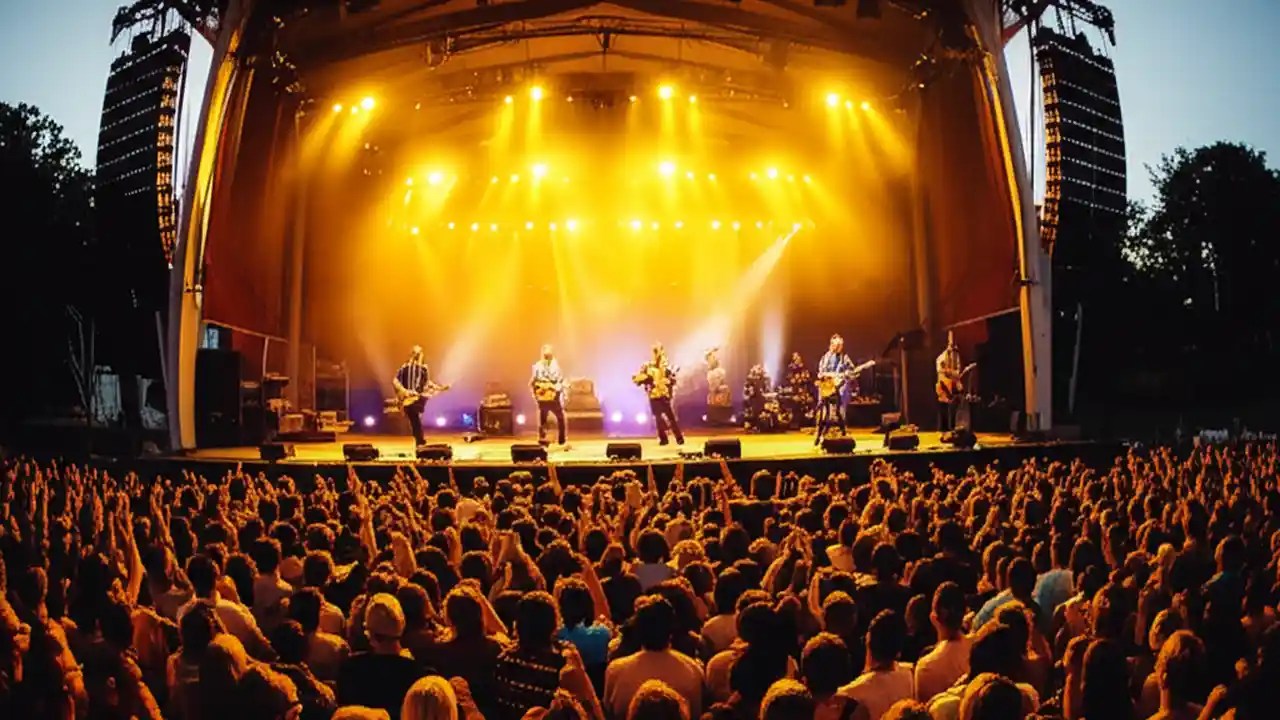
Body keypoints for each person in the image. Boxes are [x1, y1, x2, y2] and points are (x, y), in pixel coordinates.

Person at [632, 343, 683, 446]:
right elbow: (639, 379)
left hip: (664, 396)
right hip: (654, 396)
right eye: (656, 351)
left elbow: (672, 380)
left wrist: (670, 381)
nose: (659, 354)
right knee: (658, 418)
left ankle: (679, 438)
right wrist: (643, 380)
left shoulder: (665, 368)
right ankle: (664, 438)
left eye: (660, 351)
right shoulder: (648, 367)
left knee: (670, 417)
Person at [394, 346, 441, 449]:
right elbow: (396, 381)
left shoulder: (423, 369)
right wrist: (404, 391)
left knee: (415, 418)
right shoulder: (404, 368)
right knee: (414, 419)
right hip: (409, 397)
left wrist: (439, 388)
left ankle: (420, 441)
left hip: (418, 397)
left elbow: (426, 383)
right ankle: (419, 441)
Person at [815, 335, 854, 445]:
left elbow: (851, 370)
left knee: (838, 411)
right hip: (826, 387)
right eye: (836, 345)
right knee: (823, 412)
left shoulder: (844, 358)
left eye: (840, 345)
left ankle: (843, 433)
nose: (838, 347)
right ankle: (819, 434)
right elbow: (820, 372)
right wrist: (825, 376)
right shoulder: (825, 358)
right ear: (832, 345)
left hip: (837, 388)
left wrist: (843, 375)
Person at [531, 344, 568, 447]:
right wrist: (536, 393)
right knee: (543, 419)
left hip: (553, 396)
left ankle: (561, 440)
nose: (547, 357)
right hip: (543, 396)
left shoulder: (556, 366)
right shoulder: (537, 366)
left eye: (549, 355)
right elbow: (534, 381)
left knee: (560, 418)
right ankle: (542, 438)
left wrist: (558, 389)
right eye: (545, 355)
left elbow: (560, 380)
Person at [934, 332, 963, 432]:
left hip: (952, 387)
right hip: (944, 387)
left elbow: (957, 371)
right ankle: (942, 430)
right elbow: (941, 371)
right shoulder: (941, 357)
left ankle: (952, 429)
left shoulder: (956, 355)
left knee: (953, 411)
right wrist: (949, 372)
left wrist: (950, 372)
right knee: (943, 412)